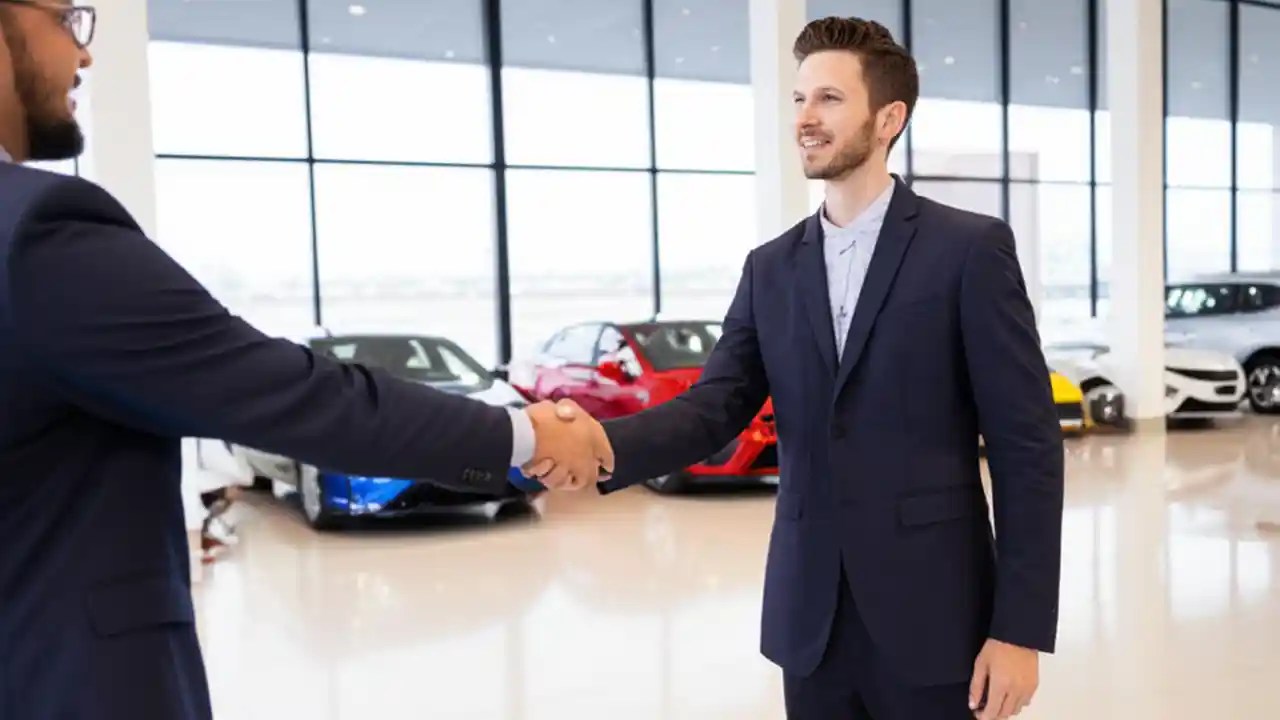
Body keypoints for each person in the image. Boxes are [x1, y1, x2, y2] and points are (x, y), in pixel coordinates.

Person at [0, 3, 609, 719]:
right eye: (67, 19)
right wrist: (525, 435)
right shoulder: (36, 234)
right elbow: (287, 394)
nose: (85, 55)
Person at [556, 16, 1065, 720]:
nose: (804, 118)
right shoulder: (770, 268)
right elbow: (715, 405)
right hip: (810, 622)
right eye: (798, 98)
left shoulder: (969, 250)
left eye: (829, 98)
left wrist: (1019, 630)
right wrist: (601, 445)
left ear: (888, 119)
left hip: (937, 615)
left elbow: (1026, 446)